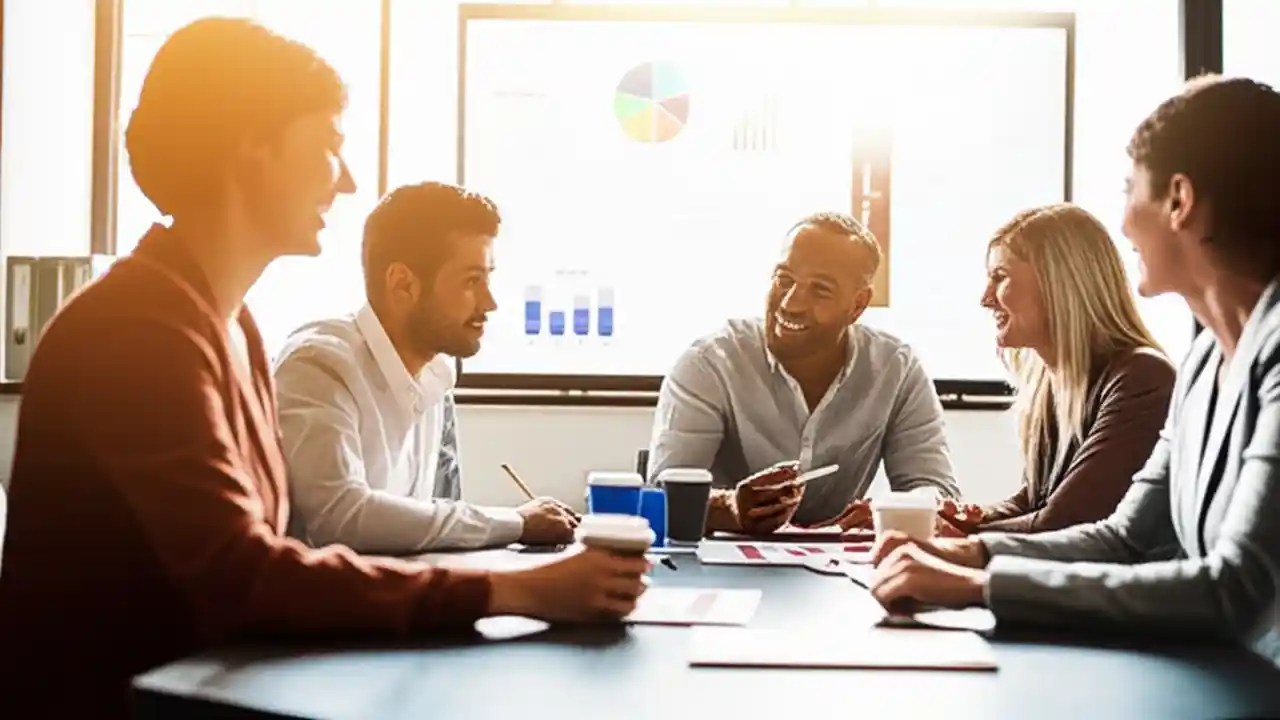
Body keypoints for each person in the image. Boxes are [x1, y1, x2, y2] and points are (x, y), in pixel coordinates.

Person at [0, 19, 645, 717]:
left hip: (212, 685)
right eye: (330, 147)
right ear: (251, 152)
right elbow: (242, 574)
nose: (347, 180)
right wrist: (518, 590)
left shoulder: (228, 323)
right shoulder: (136, 331)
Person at [870, 75, 1280, 666]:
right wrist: (968, 554)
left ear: (1179, 200)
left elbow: (1235, 593)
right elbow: (1125, 539)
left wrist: (976, 587)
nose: (1122, 221)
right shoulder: (1204, 364)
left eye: (1128, 188)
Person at [274, 182, 577, 553]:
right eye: (471, 280)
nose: (490, 302)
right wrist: (516, 523)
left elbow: (440, 520)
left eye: (488, 278)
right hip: (324, 608)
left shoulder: (437, 375)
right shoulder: (318, 366)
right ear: (403, 285)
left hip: (404, 600)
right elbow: (341, 518)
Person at [648, 211, 959, 536]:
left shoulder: (896, 369)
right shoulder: (710, 363)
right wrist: (729, 508)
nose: (791, 303)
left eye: (820, 290)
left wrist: (892, 512)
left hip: (841, 568)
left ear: (857, 306)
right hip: (722, 559)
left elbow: (936, 489)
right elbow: (661, 493)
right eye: (784, 280)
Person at [937, 203, 1175, 534]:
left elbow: (1065, 523)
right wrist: (955, 519)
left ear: (1058, 283)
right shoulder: (1050, 383)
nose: (985, 298)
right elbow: (1034, 501)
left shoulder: (1141, 378)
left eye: (1000, 277)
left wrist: (947, 537)